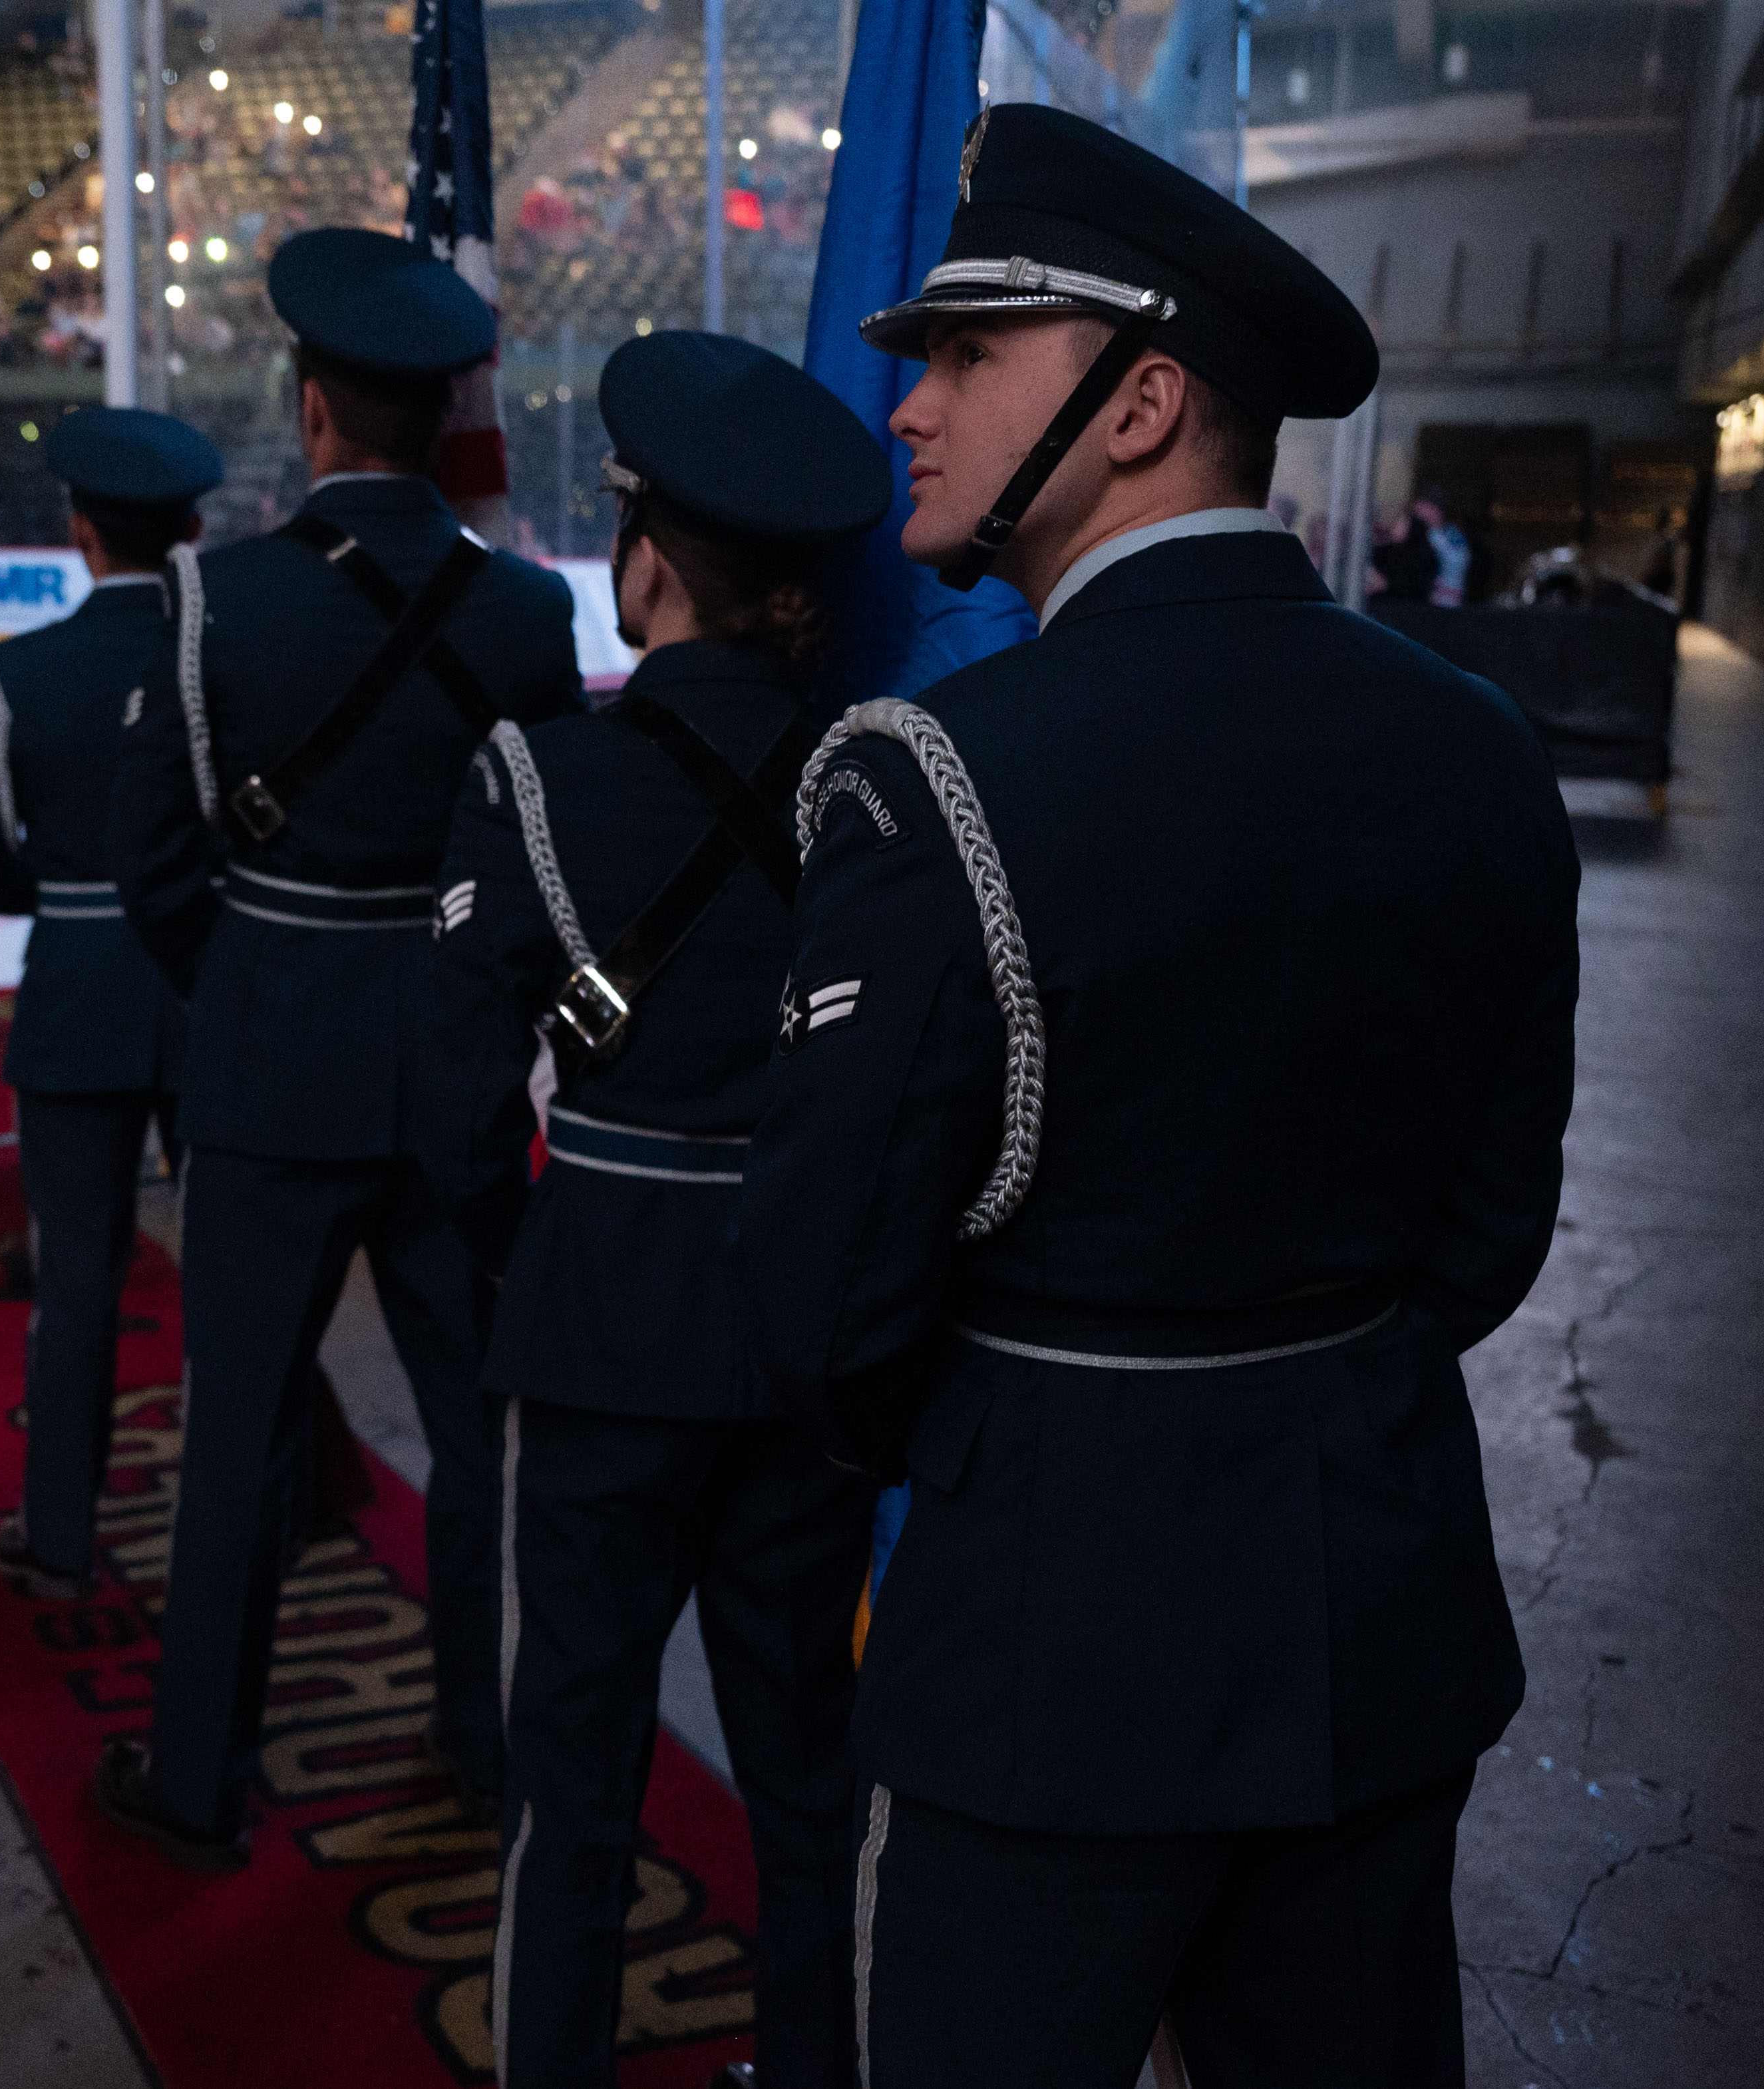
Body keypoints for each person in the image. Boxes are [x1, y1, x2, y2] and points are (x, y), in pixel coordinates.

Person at [731, 102, 1582, 2088]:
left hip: (1050, 1651)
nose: (908, 408)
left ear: (1138, 403)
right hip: (1366, 1607)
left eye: (966, 355)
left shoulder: (939, 773)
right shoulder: (1474, 743)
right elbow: (1487, 1233)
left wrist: (1038, 1433)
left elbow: (818, 1313)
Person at [419, 331, 888, 2089]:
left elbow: (455, 1110)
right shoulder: (883, 789)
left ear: (648, 562)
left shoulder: (538, 779)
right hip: (808, 1340)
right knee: (809, 1777)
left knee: (572, 1781)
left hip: (602, 1323)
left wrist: (525, 1268)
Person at [98, 226, 585, 1872]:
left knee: (237, 1434)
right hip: (453, 1068)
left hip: (269, 1062)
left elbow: (157, 865)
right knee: (477, 1439)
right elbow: (545, 859)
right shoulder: (525, 612)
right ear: (446, 419)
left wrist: (254, 983)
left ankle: (199, 1776)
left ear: (310, 407)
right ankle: (481, 1743)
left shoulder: (212, 599)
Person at [0, 405, 216, 1604]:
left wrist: (66, 895)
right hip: (210, 990)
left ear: (78, 532)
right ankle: (266, 1510)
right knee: (241, 1280)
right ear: (193, 529)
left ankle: (58, 1537)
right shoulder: (225, 661)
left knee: (78, 1282)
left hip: (78, 997)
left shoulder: (15, 672)